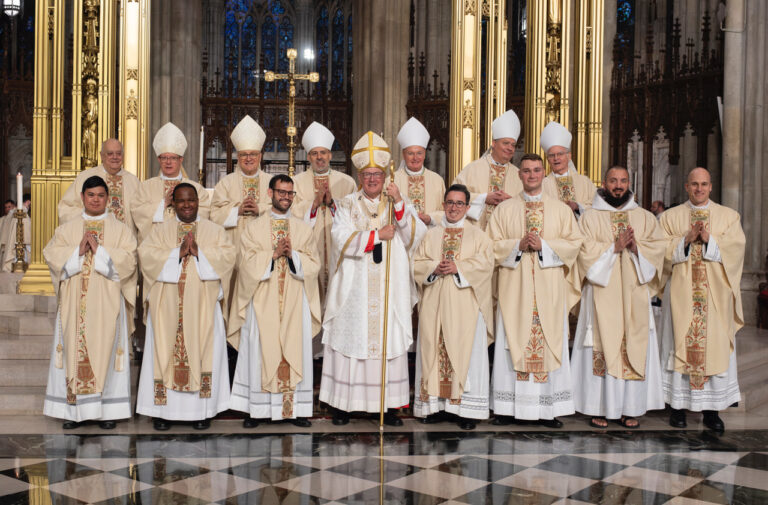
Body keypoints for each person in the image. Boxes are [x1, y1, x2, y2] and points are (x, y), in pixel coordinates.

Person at [319, 131, 427, 426]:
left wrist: (401, 204)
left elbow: (415, 236)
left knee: (388, 341)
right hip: (354, 288)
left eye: (376, 174)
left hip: (388, 287)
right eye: (366, 175)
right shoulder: (346, 205)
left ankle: (389, 406)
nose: (371, 180)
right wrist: (376, 235)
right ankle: (342, 405)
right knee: (349, 341)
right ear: (359, 175)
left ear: (384, 176)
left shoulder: (396, 202)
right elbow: (339, 237)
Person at [488, 153, 582, 428]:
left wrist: (545, 247)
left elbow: (575, 244)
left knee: (549, 340)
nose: (531, 175)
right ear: (519, 175)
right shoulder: (504, 210)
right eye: (526, 171)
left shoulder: (561, 210)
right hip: (514, 289)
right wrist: (516, 245)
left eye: (536, 170)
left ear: (544, 173)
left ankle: (548, 409)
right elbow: (491, 246)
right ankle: (507, 408)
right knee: (512, 341)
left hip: (549, 289)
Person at [571, 166, 666, 429]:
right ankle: (598, 407)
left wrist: (637, 249)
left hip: (634, 292)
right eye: (613, 180)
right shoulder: (589, 218)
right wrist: (614, 247)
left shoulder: (645, 218)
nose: (618, 185)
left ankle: (630, 408)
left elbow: (658, 251)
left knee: (631, 344)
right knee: (600, 344)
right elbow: (583, 252)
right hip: (600, 294)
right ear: (603, 183)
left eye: (623, 180)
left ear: (629, 182)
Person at [136, 183, 235, 431]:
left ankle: (202, 412)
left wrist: (200, 253)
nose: (187, 205)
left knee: (203, 353)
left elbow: (227, 258)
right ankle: (162, 412)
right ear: (173, 203)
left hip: (203, 308)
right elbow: (146, 256)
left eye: (191, 200)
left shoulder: (214, 230)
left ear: (198, 202)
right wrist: (176, 254)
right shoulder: (160, 231)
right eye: (181, 201)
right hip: (166, 309)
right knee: (164, 353)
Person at [42, 176, 137, 429]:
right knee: (74, 349)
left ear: (108, 198)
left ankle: (106, 412)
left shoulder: (121, 230)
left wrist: (101, 251)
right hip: (74, 304)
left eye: (101, 195)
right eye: (91, 195)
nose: (96, 199)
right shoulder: (67, 229)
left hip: (108, 303)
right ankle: (72, 411)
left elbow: (129, 261)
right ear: (82, 197)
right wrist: (77, 252)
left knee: (107, 349)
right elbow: (51, 255)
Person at [228, 174, 321, 428]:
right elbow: (245, 265)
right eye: (281, 192)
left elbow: (314, 264)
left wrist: (295, 258)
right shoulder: (254, 228)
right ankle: (254, 410)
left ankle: (298, 410)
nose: (286, 197)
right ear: (270, 194)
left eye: (290, 193)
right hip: (262, 300)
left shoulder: (303, 228)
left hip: (295, 301)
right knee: (259, 349)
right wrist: (273, 254)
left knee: (295, 347)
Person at [658, 167, 745, 433]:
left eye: (704, 184)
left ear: (711, 186)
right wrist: (685, 239)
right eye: (694, 184)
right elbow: (658, 250)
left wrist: (710, 240)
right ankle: (677, 408)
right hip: (681, 296)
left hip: (715, 297)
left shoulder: (728, 217)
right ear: (686, 187)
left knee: (714, 349)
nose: (699, 189)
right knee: (679, 344)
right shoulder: (671, 217)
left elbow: (736, 249)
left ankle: (711, 411)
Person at [413, 184, 494, 430]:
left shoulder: (479, 236)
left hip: (467, 307)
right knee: (433, 352)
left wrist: (458, 267)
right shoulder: (431, 235)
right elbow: (416, 263)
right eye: (450, 202)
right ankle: (435, 407)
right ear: (444, 205)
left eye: (460, 203)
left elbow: (485, 264)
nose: (454, 207)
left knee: (467, 354)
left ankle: (466, 411)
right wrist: (434, 268)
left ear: (468, 207)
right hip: (435, 304)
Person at [210, 115, 273, 310]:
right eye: (244, 154)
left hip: (264, 248)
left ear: (260, 156)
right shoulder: (226, 183)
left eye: (253, 154)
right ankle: (233, 335)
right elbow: (213, 214)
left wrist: (260, 209)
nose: (248, 159)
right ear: (238, 157)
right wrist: (236, 210)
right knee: (234, 288)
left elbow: (287, 210)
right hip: (234, 247)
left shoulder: (273, 183)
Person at [293, 121, 356, 308]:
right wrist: (313, 204)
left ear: (330, 155)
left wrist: (331, 204)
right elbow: (292, 215)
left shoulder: (347, 182)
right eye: (314, 153)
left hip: (338, 247)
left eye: (323, 153)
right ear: (308, 156)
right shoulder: (296, 182)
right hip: (309, 246)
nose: (319, 157)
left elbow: (355, 216)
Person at [132, 122, 211, 243]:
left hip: (186, 241)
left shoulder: (196, 188)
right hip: (157, 245)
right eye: (164, 158)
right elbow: (138, 213)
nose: (168, 162)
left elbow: (204, 214)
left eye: (173, 158)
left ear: (181, 159)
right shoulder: (145, 187)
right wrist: (164, 203)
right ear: (159, 159)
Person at [453, 109, 523, 230]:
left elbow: (526, 206)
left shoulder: (519, 175)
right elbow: (453, 197)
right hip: (476, 234)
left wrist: (511, 202)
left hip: (504, 237)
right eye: (506, 143)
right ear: (494, 144)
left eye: (513, 145)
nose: (510, 148)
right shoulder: (473, 168)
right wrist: (484, 198)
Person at [58, 139, 141, 233]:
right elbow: (65, 208)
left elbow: (141, 215)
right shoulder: (85, 177)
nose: (115, 157)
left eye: (118, 153)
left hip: (123, 243)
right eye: (110, 153)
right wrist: (91, 217)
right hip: (93, 237)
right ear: (102, 156)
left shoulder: (133, 181)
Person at [393, 117, 446, 227]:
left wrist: (430, 218)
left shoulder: (437, 180)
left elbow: (446, 212)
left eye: (419, 153)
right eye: (410, 153)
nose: (415, 158)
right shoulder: (392, 180)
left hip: (430, 237)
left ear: (425, 154)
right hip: (402, 240)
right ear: (403, 154)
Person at [540, 121, 596, 218]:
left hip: (581, 230)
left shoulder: (584, 181)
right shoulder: (543, 184)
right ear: (548, 160)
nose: (556, 158)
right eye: (552, 155)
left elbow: (597, 206)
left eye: (560, 154)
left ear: (569, 156)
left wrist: (578, 206)